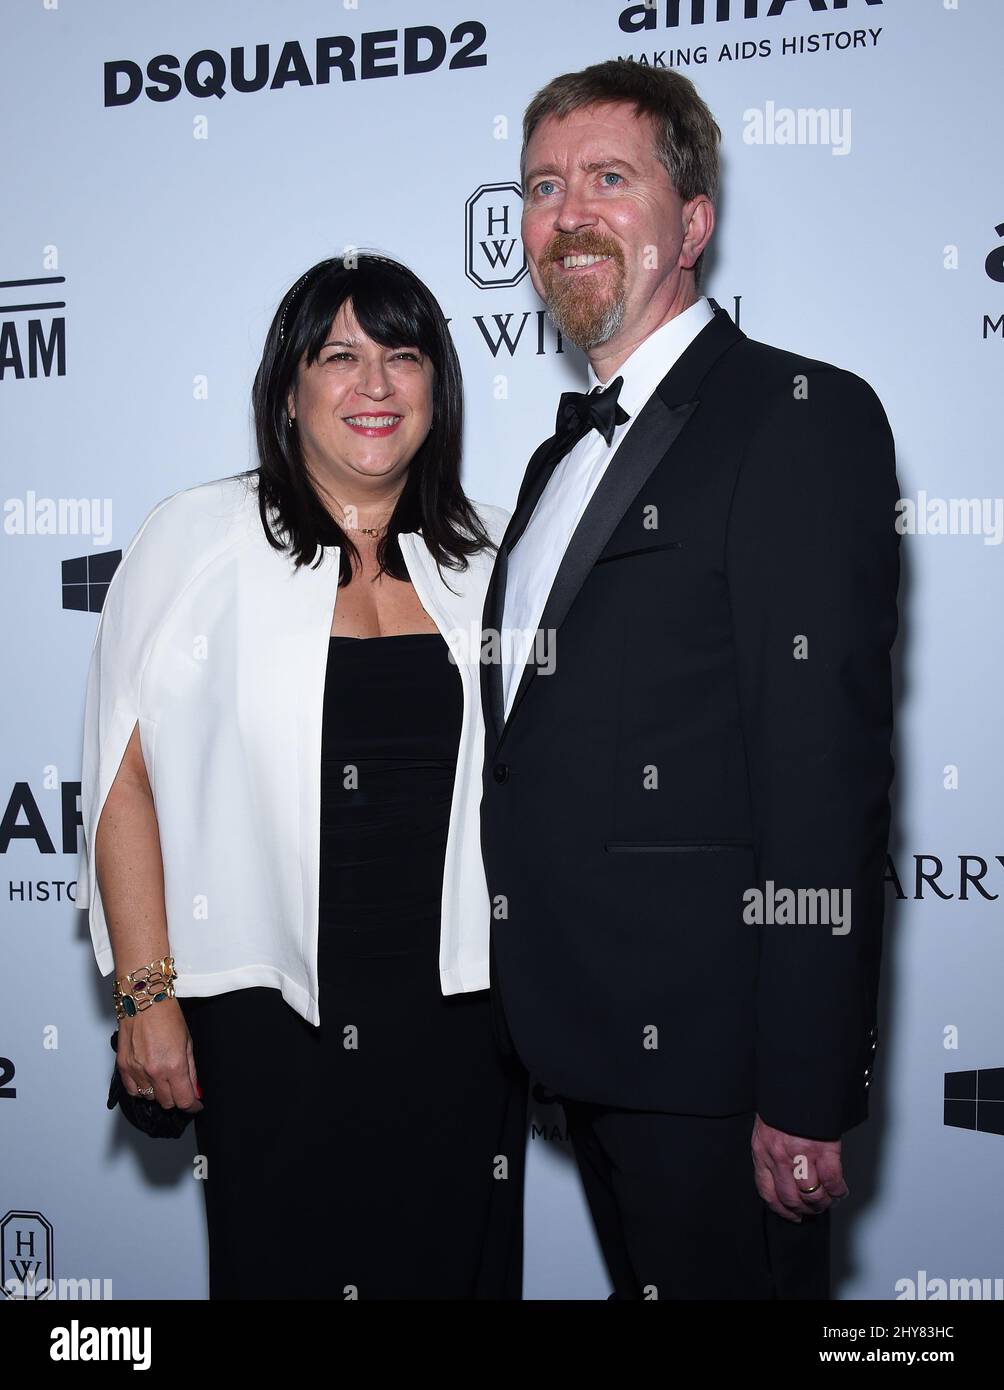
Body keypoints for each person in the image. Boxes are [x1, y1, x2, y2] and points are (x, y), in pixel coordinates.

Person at [480, 61, 900, 1300]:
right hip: (580, 1041)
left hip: (723, 1075)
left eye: (609, 178)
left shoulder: (795, 416)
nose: (568, 213)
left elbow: (822, 774)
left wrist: (803, 1090)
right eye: (543, 186)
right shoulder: (556, 454)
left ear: (693, 221)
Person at [77, 251, 526, 1300]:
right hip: (267, 1014)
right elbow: (120, 781)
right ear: (289, 390)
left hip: (461, 1016)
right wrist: (145, 993)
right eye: (340, 357)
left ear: (436, 387)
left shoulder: (491, 557)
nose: (373, 386)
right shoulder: (195, 540)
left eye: (402, 357)